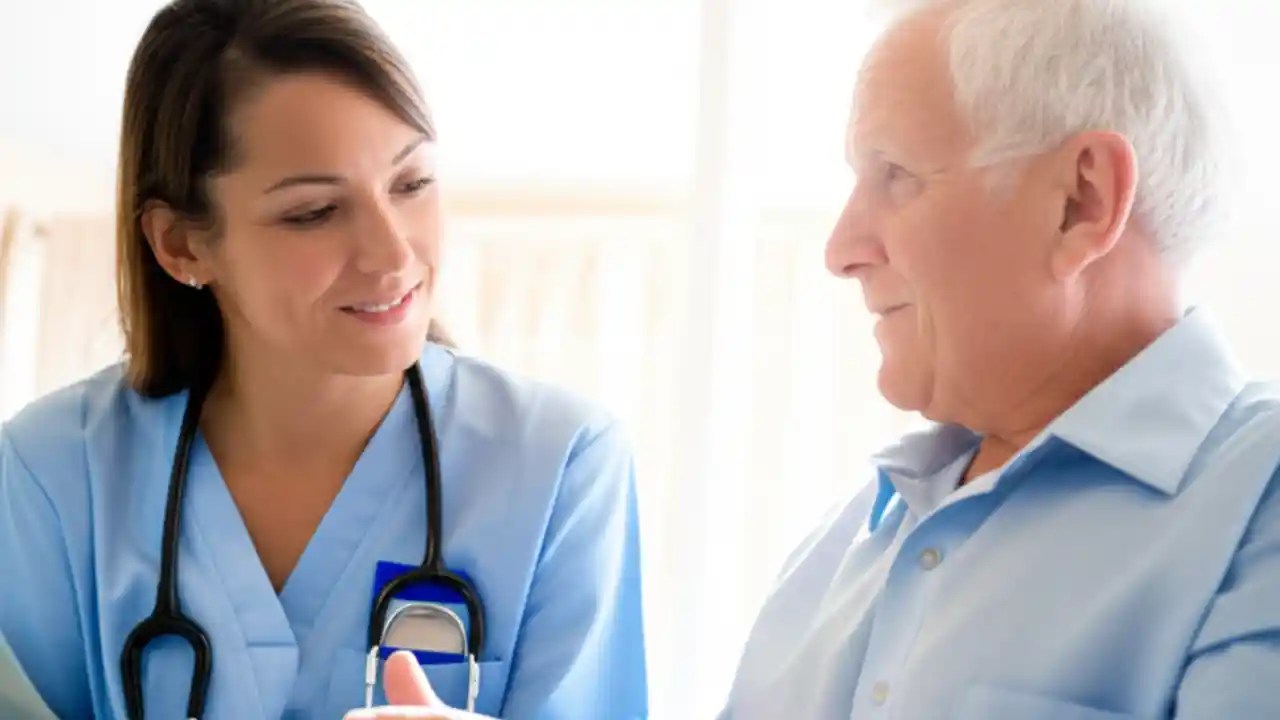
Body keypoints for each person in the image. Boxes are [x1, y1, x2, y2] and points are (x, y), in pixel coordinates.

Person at [0, 1, 647, 718]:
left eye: (411, 184)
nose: (394, 254)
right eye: (314, 212)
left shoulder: (560, 467)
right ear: (183, 244)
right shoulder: (55, 474)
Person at [718, 0, 1280, 718]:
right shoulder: (841, 543)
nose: (841, 249)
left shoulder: (1256, 501)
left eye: (894, 174)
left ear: (1081, 201)